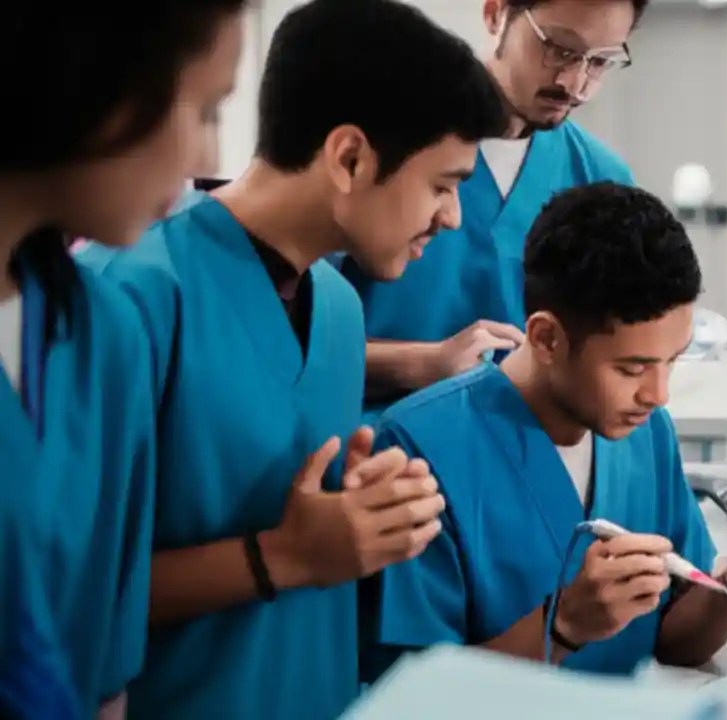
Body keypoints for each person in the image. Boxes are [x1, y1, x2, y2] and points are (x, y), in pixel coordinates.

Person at [81, 2, 506, 718]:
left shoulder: (339, 311)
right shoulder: (129, 294)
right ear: (349, 158)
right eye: (444, 183)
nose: (453, 217)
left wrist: (357, 515)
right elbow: (66, 594)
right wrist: (284, 556)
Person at [362, 183, 727, 680]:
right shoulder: (421, 448)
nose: (658, 394)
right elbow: (414, 698)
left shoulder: (647, 435)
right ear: (547, 339)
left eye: (673, 360)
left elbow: (676, 641)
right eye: (631, 369)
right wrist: (565, 626)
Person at [0, 4, 245, 717]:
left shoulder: (99, 336)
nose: (206, 159)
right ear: (97, 82)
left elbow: (105, 662)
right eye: (204, 110)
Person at [341, 0, 642, 423]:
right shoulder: (385, 145)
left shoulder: (601, 179)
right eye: (559, 48)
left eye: (601, 61)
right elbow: (278, 346)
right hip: (379, 457)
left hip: (523, 461)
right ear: (496, 13)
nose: (575, 83)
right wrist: (423, 363)